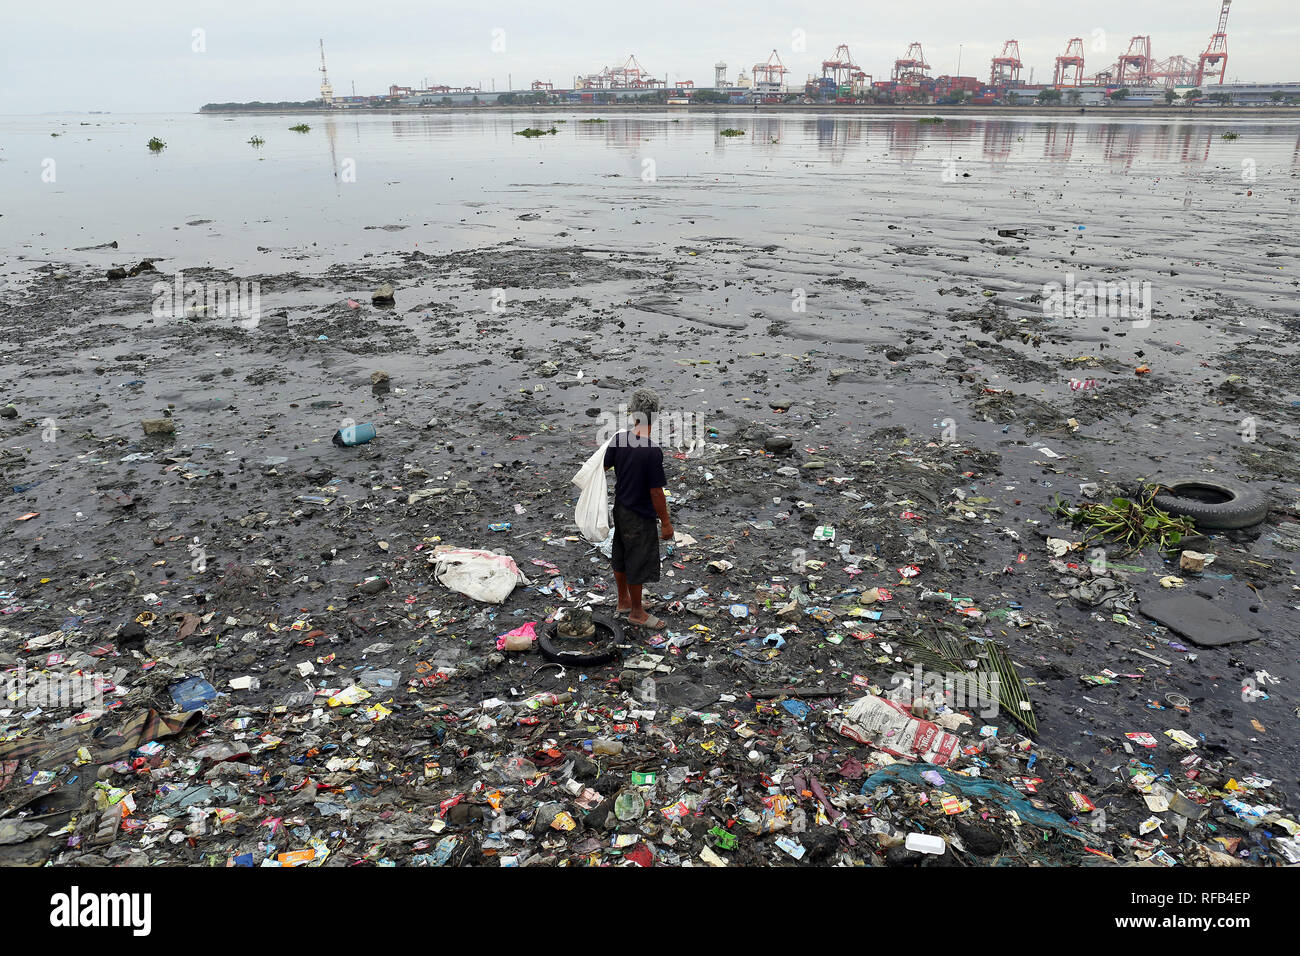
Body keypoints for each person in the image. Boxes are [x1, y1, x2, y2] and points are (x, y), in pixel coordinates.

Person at [604, 389, 673, 628]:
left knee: (621, 555)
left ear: (633, 413)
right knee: (636, 560)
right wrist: (665, 522)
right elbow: (656, 492)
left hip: (621, 508)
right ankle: (636, 612)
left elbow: (601, 466)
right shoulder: (651, 451)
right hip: (639, 514)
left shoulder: (620, 439)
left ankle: (623, 601)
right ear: (656, 416)